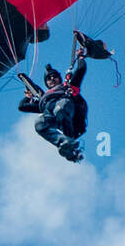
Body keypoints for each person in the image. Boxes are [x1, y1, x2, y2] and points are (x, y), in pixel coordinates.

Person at [17, 31, 94, 163]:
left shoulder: (68, 87)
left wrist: (81, 57)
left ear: (59, 78)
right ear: (46, 84)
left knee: (60, 109)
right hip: (53, 114)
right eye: (49, 78)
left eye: (54, 76)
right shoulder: (44, 100)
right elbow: (22, 107)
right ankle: (65, 143)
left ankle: (70, 141)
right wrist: (28, 96)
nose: (52, 79)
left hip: (69, 112)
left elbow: (80, 70)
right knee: (39, 124)